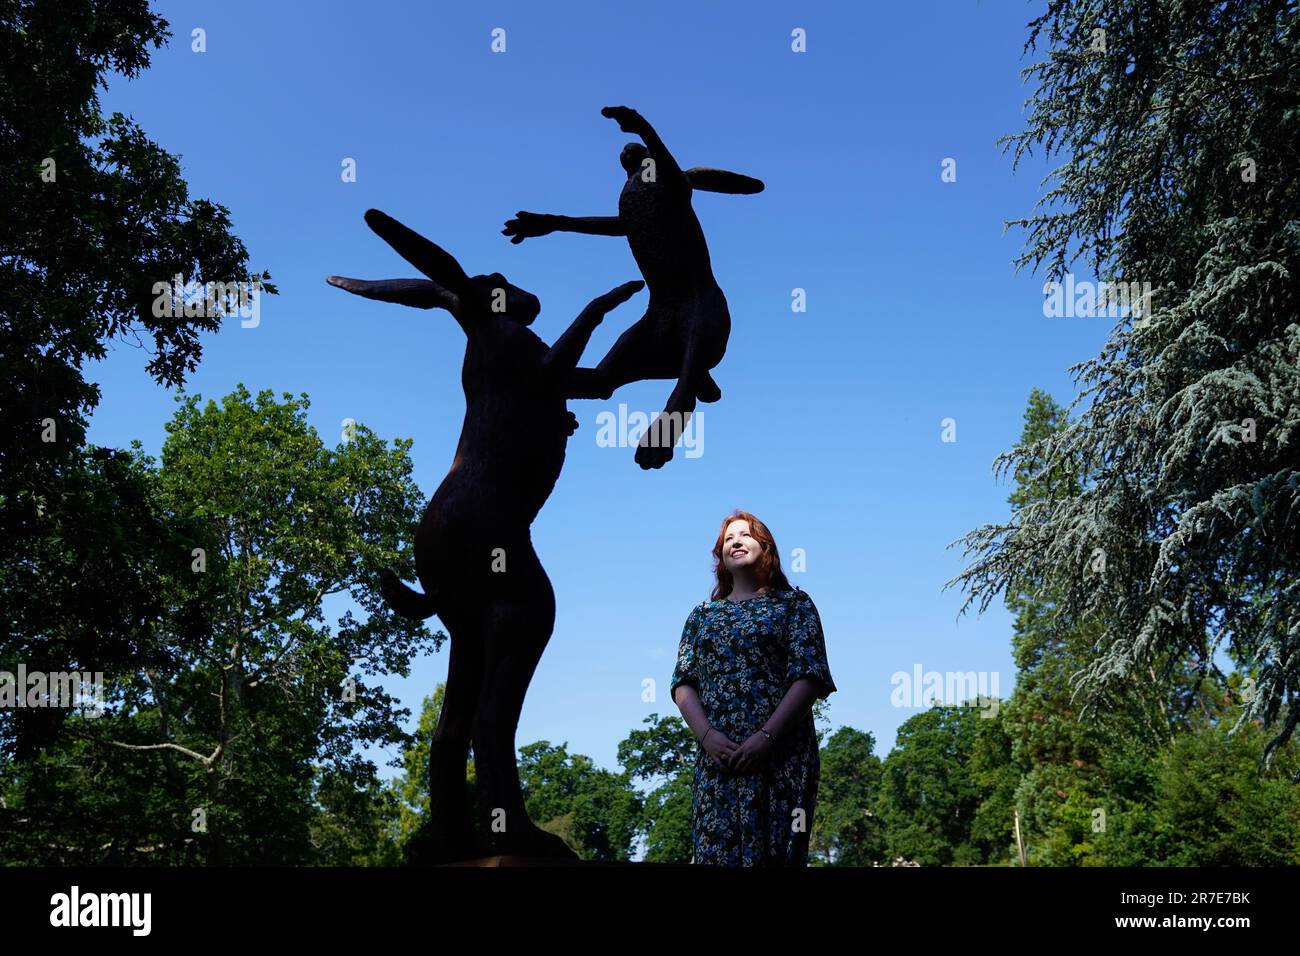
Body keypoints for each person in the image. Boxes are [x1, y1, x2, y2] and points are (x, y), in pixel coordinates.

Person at [670, 509, 837, 866]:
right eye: (728, 539)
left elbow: (808, 677)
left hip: (782, 756)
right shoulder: (702, 616)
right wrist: (708, 737)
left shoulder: (794, 605)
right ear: (721, 559)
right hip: (719, 761)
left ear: (766, 547)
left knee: (777, 855)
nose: (736, 542)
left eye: (745, 535)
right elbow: (683, 684)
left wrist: (765, 738)